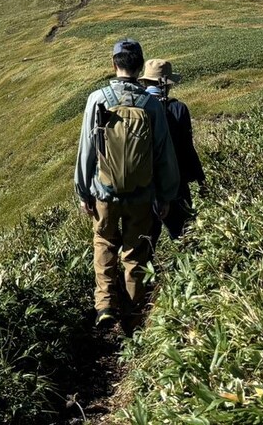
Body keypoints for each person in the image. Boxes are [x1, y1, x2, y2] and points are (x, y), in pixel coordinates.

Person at [74, 38, 180, 330]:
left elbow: (87, 150)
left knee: (105, 242)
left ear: (114, 64)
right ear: (138, 67)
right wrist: (166, 195)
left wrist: (83, 191)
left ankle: (106, 304)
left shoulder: (97, 99)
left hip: (104, 192)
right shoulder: (151, 104)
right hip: (142, 194)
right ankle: (135, 319)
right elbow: (163, 154)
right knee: (136, 254)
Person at [142, 58, 205, 239]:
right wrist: (200, 179)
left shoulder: (135, 107)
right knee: (185, 234)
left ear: (145, 82)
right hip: (175, 182)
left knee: (145, 241)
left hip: (142, 185)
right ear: (168, 84)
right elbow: (187, 149)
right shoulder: (178, 109)